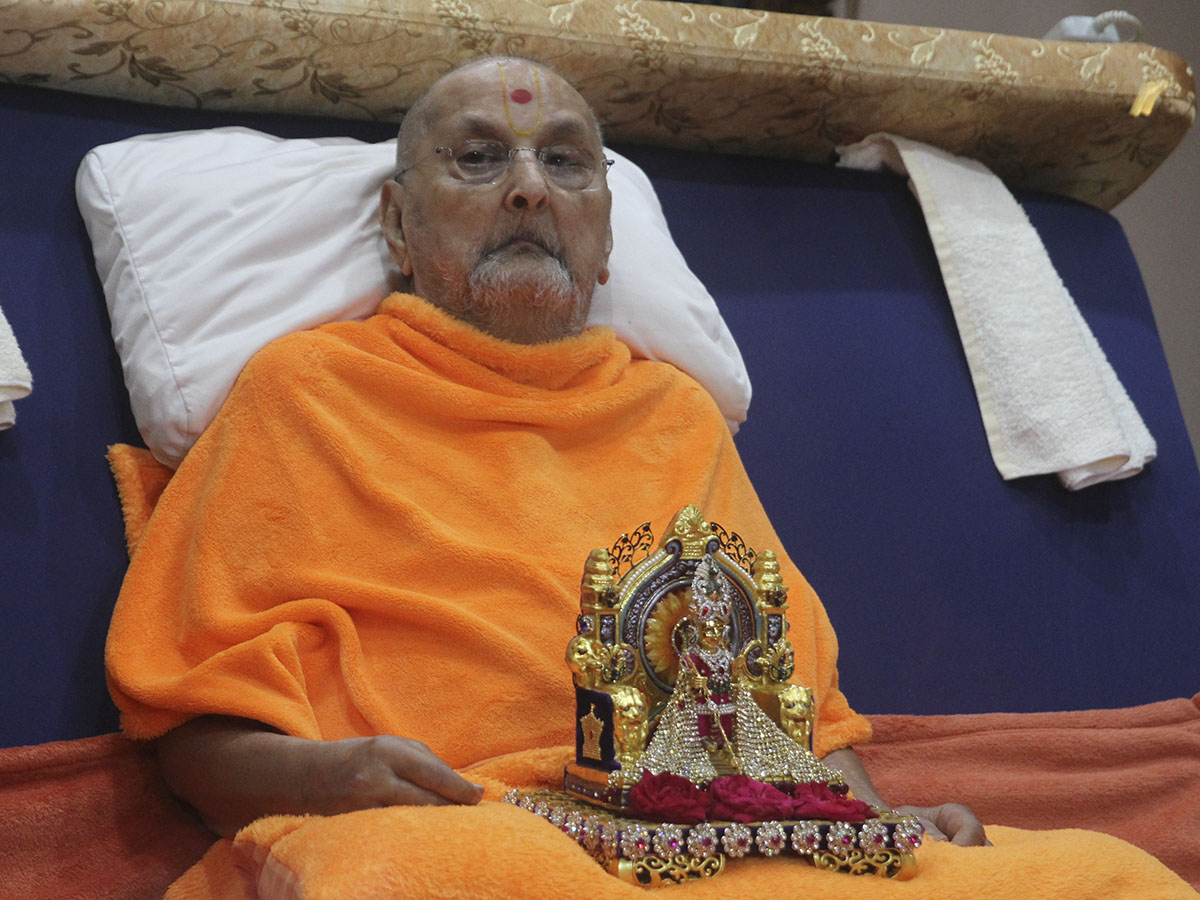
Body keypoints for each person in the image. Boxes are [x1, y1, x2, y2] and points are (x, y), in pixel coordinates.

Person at [105, 55, 1195, 899]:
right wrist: (326, 780)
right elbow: (191, 733)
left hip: (728, 832)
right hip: (480, 828)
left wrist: (875, 833)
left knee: (1111, 877)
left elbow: (790, 712)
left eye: (566, 163)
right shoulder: (305, 392)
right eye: (478, 160)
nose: (528, 190)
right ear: (397, 224)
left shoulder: (673, 412)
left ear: (605, 238)